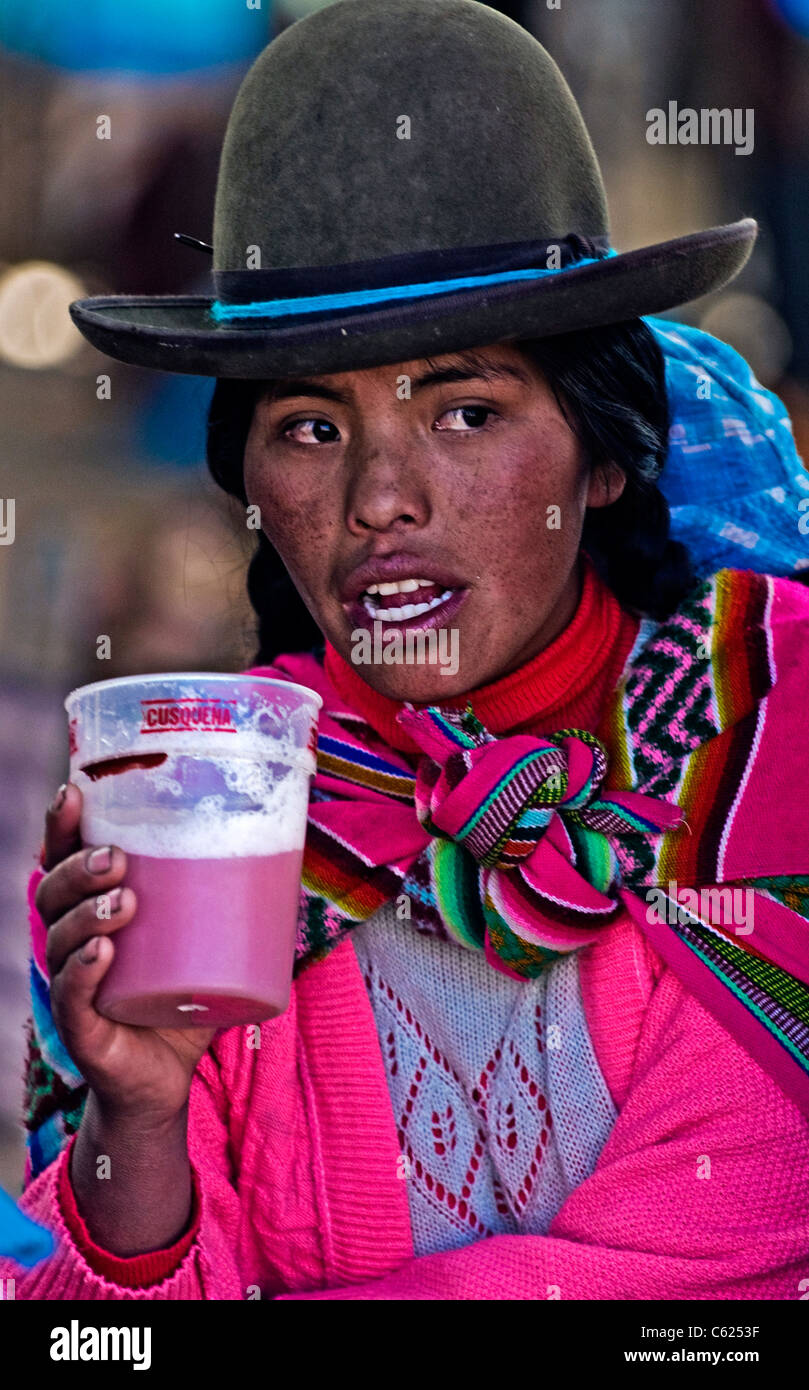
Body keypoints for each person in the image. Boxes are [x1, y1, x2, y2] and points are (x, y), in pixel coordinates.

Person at [4, 0, 809, 1300]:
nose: (382, 495)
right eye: (312, 428)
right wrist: (135, 1123)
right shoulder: (221, 797)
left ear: (602, 456)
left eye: (467, 409)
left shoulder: (773, 724)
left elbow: (713, 1273)